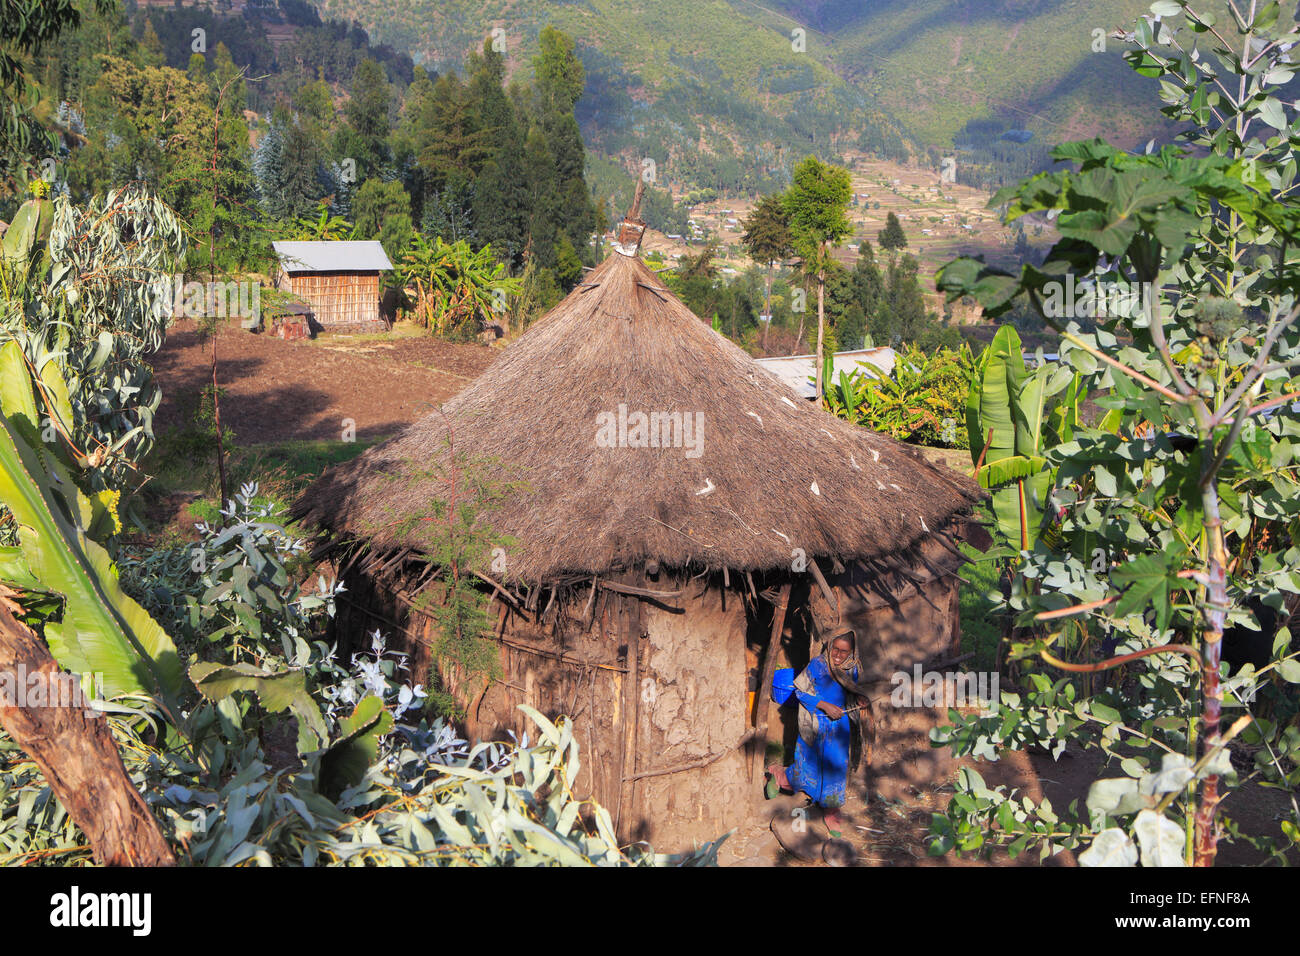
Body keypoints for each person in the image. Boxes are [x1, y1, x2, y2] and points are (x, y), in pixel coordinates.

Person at [767, 629, 866, 837]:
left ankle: (831, 811)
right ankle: (779, 775)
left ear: (852, 652)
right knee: (808, 765)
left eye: (844, 652)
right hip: (815, 724)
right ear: (829, 646)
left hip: (839, 728)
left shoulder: (852, 669)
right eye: (835, 650)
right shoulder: (817, 665)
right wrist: (824, 705)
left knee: (836, 767)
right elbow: (800, 692)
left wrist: (857, 701)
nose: (838, 656)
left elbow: (850, 692)